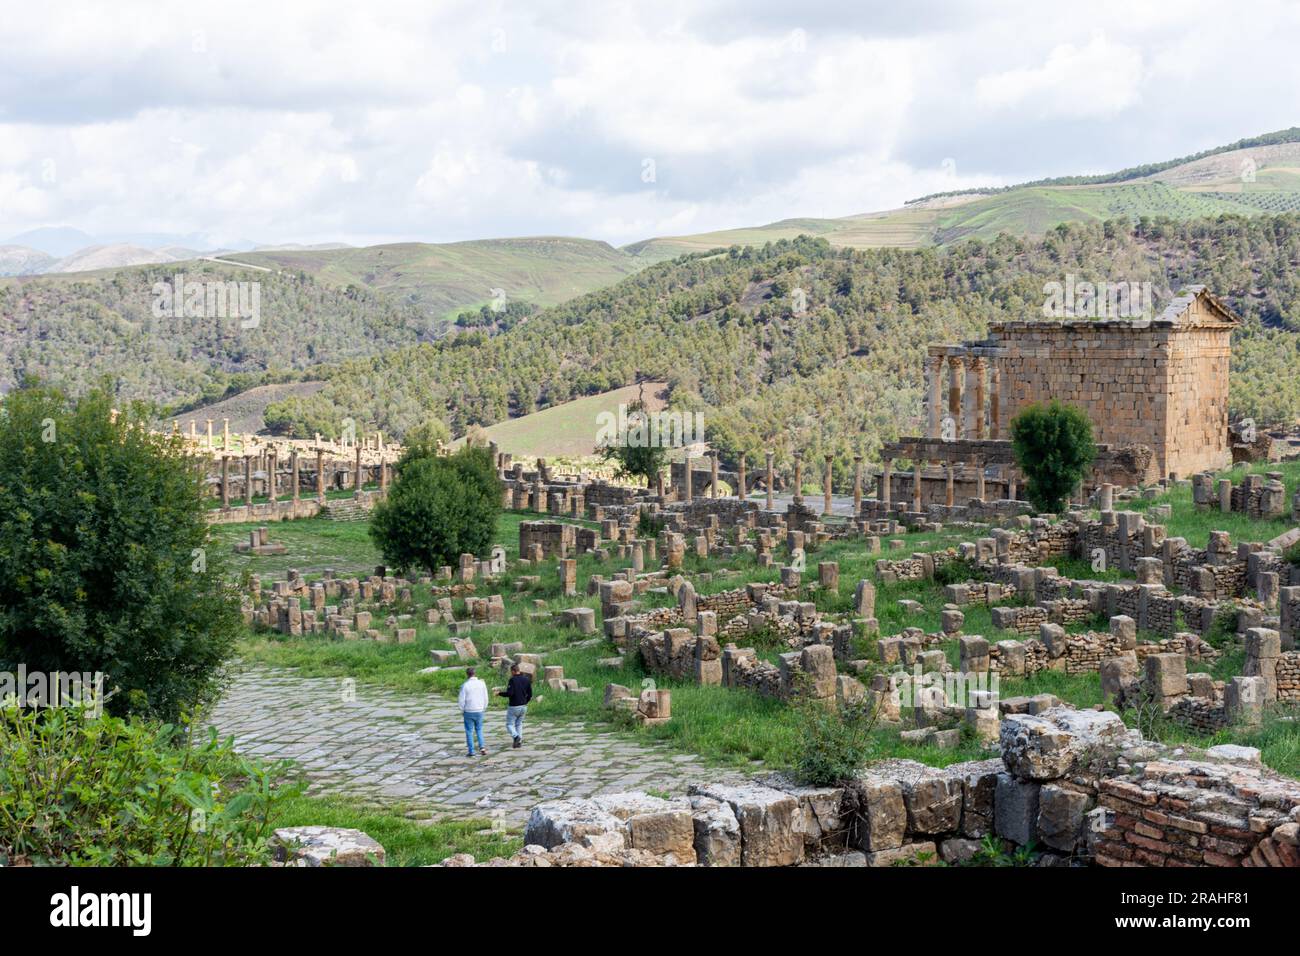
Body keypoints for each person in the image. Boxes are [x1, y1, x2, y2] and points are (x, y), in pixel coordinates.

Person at [497, 663, 533, 749]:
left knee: (509, 724)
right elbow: (530, 694)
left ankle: (516, 736)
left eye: (511, 672)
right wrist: (526, 701)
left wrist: (499, 693)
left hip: (514, 706)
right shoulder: (526, 679)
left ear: (513, 671)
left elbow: (510, 693)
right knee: (519, 724)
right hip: (524, 706)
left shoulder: (512, 680)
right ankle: (518, 743)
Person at [458, 666, 489, 757]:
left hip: (468, 711)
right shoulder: (482, 684)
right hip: (479, 710)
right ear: (475, 673)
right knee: (479, 729)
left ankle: (471, 751)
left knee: (469, 731)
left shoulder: (465, 685)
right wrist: (484, 708)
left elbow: (461, 700)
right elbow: (485, 697)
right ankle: (482, 747)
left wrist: (462, 710)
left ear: (467, 674)